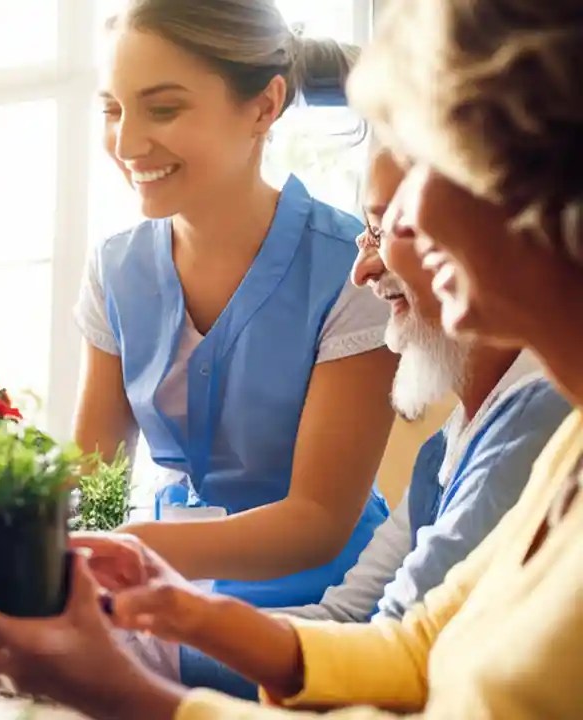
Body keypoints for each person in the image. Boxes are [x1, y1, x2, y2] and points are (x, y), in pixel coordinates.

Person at [0, 0, 583, 716]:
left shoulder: (524, 412)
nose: (397, 231)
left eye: (435, 166)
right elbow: (408, 644)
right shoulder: (553, 445)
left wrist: (132, 682)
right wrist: (168, 607)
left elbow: (343, 569)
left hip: (298, 592)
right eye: (112, 109)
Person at [125, 146, 572, 698]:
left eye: (392, 229)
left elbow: (407, 665)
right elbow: (362, 624)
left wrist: (147, 658)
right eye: (370, 231)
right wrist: (162, 632)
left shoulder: (539, 421)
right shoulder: (448, 448)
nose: (360, 270)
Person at [74, 0, 395, 608]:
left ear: (264, 106)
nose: (126, 142)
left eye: (163, 109)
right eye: (112, 109)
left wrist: (137, 547)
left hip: (321, 605)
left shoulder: (349, 269)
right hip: (164, 586)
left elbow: (317, 521)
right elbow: (93, 478)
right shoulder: (115, 269)